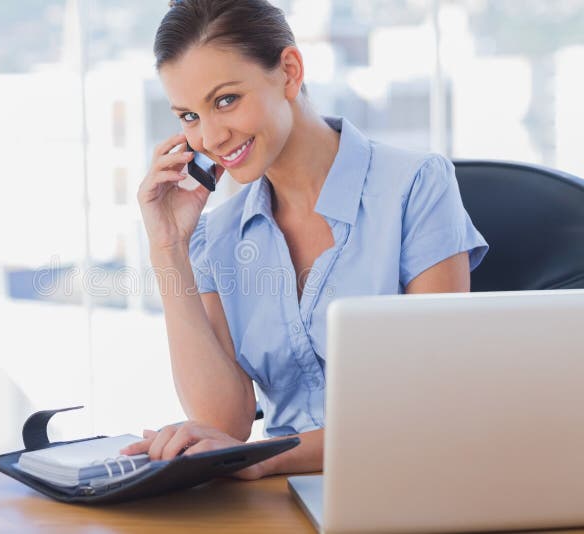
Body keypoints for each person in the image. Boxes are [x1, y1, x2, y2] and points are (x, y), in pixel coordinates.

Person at [120, 0, 488, 479]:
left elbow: (434, 405)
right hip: (279, 500)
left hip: (408, 486)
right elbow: (220, 425)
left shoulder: (415, 186)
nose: (209, 136)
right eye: (189, 115)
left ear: (289, 72)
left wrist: (266, 458)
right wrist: (168, 246)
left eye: (226, 100)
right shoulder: (217, 236)